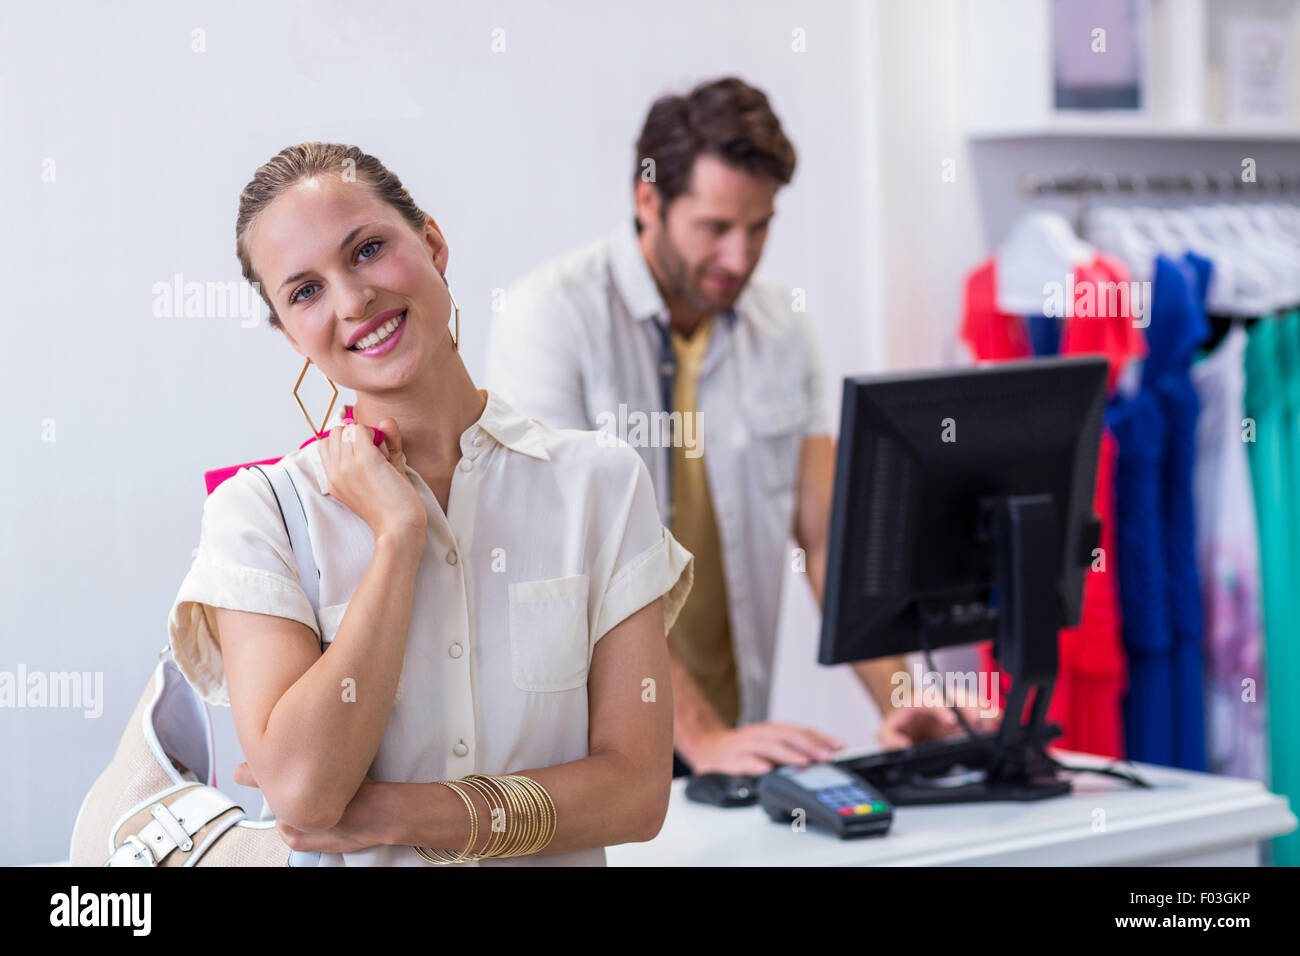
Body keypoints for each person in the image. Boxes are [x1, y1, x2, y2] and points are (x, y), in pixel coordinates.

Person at [167, 142, 693, 866]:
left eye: (368, 249)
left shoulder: (599, 482)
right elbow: (304, 793)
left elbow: (635, 796)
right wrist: (397, 538)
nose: (353, 302)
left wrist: (389, 813)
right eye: (305, 291)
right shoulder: (261, 514)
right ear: (290, 332)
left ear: (433, 243)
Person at [487, 77, 995, 777]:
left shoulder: (782, 326)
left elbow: (827, 541)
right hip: (584, 752)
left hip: (733, 742)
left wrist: (902, 698)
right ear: (648, 202)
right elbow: (574, 560)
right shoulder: (550, 318)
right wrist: (696, 737)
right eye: (716, 229)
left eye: (759, 228)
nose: (740, 258)